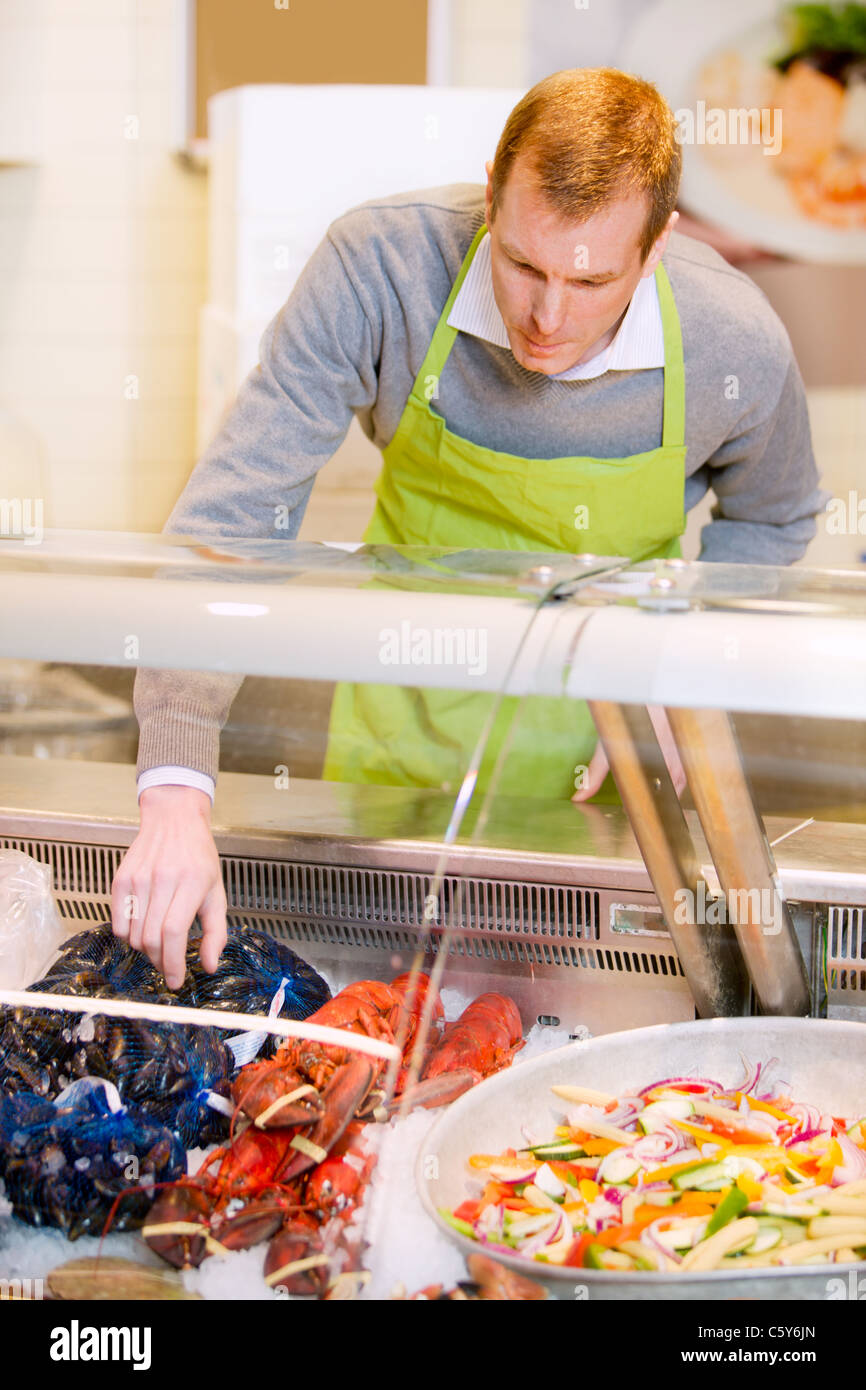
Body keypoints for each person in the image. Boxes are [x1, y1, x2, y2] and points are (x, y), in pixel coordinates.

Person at [114, 69, 826, 987]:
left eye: (592, 279)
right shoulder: (381, 267)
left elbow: (777, 519)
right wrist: (174, 785)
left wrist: (672, 669)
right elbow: (235, 520)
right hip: (399, 732)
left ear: (657, 249)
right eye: (523, 263)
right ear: (492, 195)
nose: (548, 317)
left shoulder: (735, 338)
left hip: (613, 779)